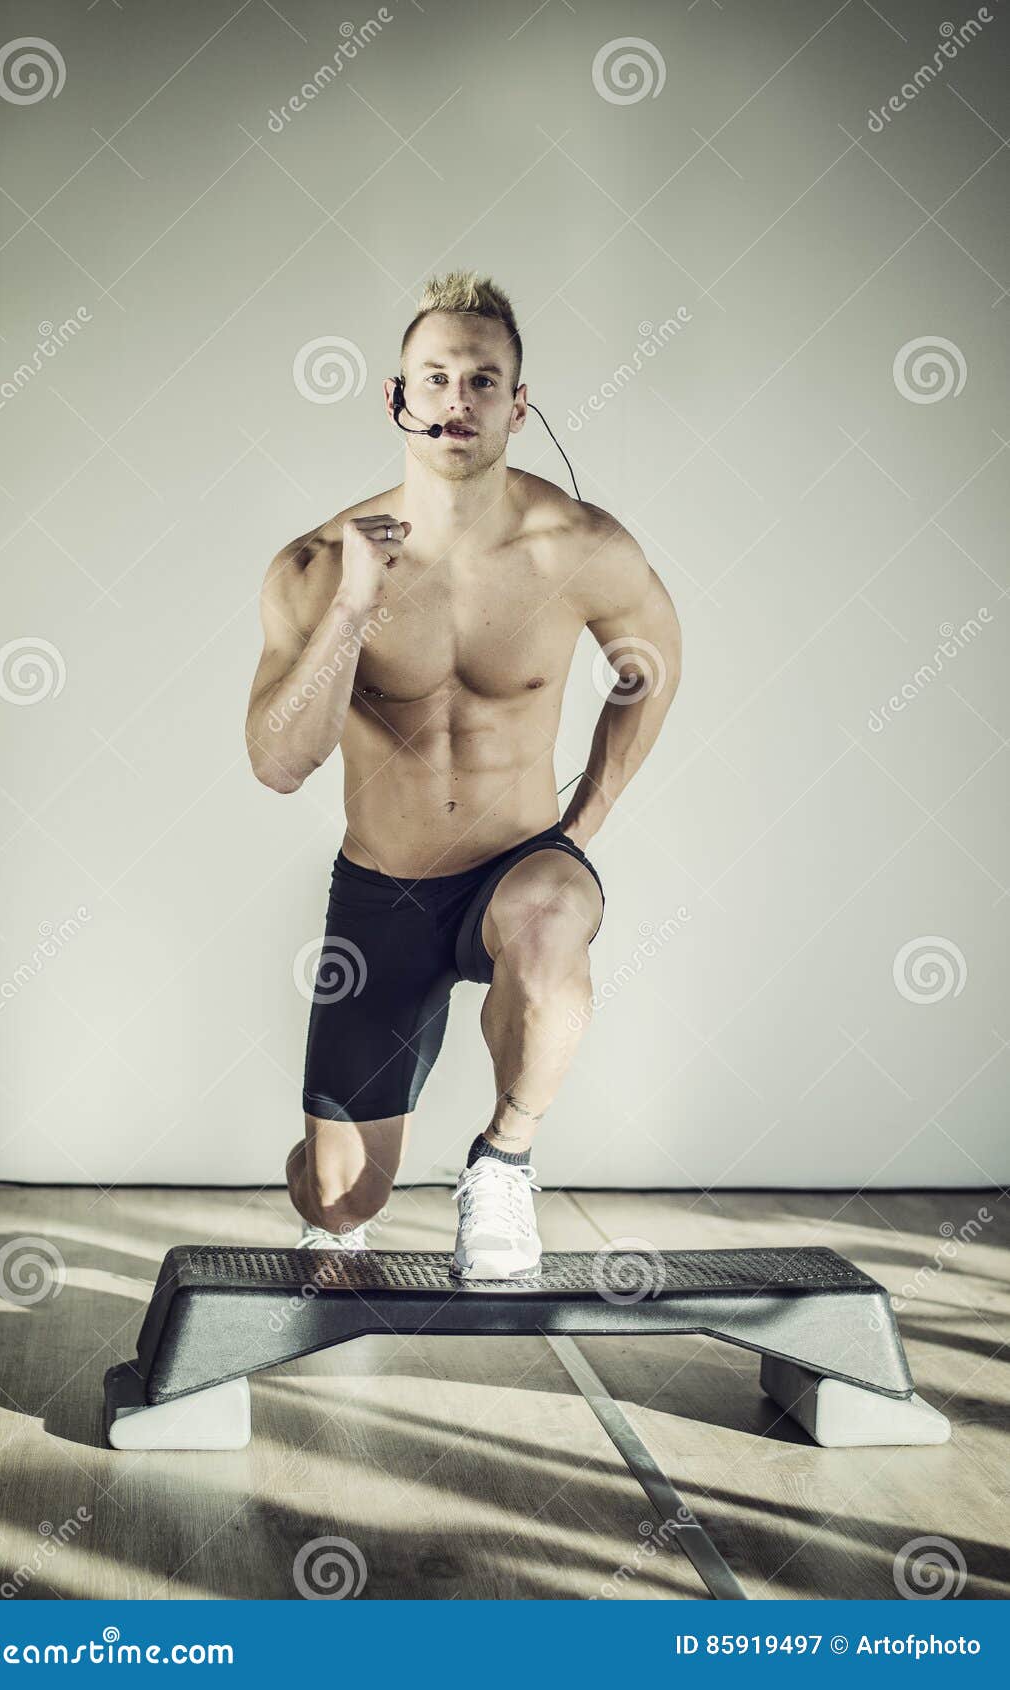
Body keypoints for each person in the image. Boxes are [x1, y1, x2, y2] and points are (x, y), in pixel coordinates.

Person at [245, 272, 681, 1278]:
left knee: (549, 915)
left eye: (484, 380)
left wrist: (583, 823)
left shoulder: (577, 544)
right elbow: (279, 762)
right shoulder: (315, 564)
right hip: (382, 891)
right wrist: (351, 612)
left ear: (519, 406)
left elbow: (651, 663)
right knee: (343, 1198)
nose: (457, 399)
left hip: (514, 866)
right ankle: (325, 1166)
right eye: (434, 377)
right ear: (395, 398)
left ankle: (504, 1161)